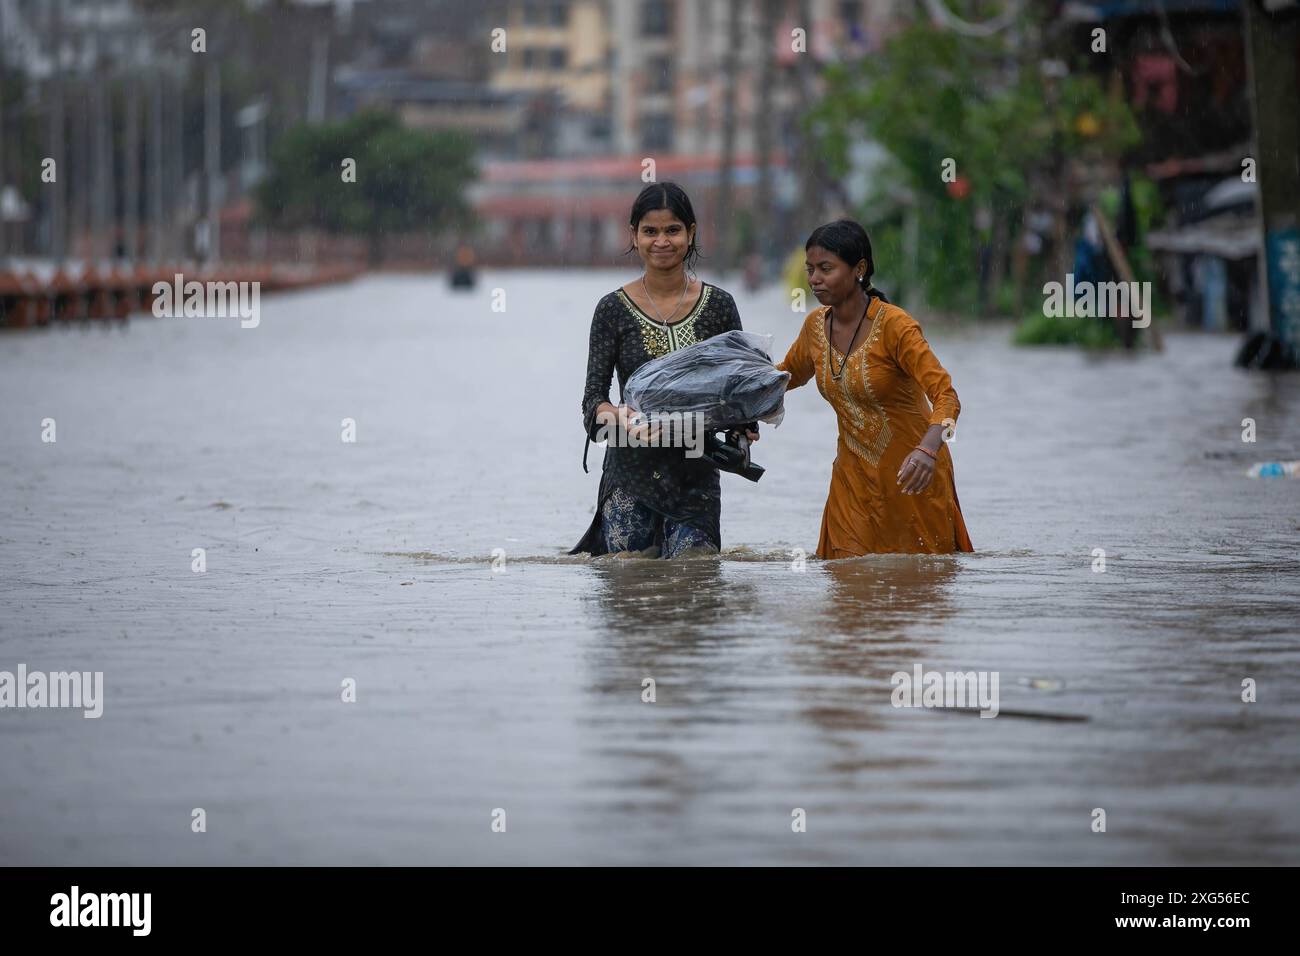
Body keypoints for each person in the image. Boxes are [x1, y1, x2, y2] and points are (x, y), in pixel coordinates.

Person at [570, 182, 757, 558]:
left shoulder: (719, 306)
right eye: (650, 231)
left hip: (695, 474)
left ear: (691, 234)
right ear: (634, 236)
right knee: (629, 585)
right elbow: (593, 400)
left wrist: (744, 423)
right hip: (630, 473)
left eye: (672, 230)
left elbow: (740, 392)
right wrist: (618, 418)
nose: (661, 241)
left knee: (696, 575)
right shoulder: (612, 310)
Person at [777, 220, 973, 557]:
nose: (814, 279)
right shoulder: (813, 327)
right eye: (810, 269)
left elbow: (947, 398)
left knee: (917, 589)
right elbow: (783, 378)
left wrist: (928, 451)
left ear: (860, 269)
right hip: (851, 486)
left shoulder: (896, 327)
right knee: (846, 588)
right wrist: (733, 396)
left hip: (912, 479)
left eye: (826, 268)